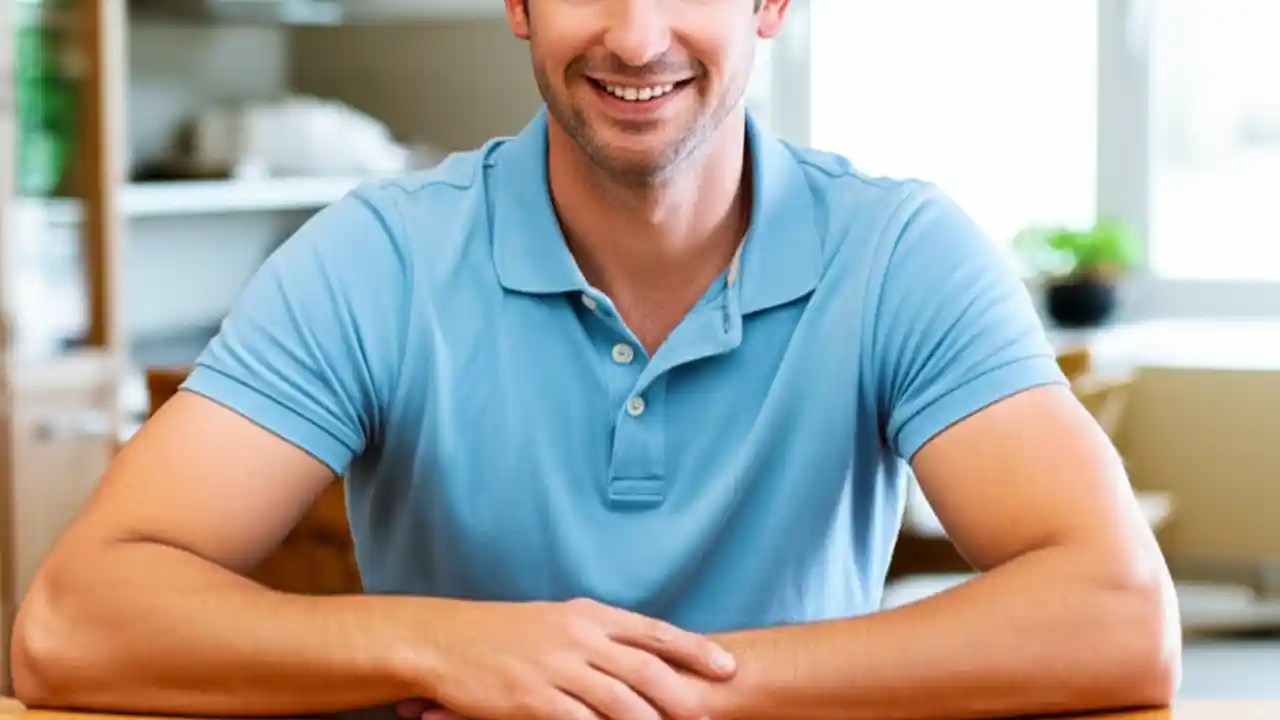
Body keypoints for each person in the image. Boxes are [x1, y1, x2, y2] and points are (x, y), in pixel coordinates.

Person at [12, 1, 1181, 718]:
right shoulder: (375, 258)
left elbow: (1117, 618)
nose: (634, 33)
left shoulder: (897, 252)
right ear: (516, 1)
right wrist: (446, 643)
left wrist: (636, 688)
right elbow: (72, 623)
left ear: (769, 1)